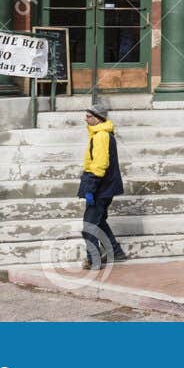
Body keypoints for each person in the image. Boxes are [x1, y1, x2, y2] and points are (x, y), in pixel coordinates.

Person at [78, 105, 126, 268]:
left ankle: (94, 260)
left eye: (89, 116)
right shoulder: (100, 135)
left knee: (89, 225)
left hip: (100, 187)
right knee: (98, 221)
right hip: (104, 187)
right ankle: (116, 252)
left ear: (98, 118)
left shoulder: (101, 136)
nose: (86, 119)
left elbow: (99, 165)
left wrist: (90, 189)